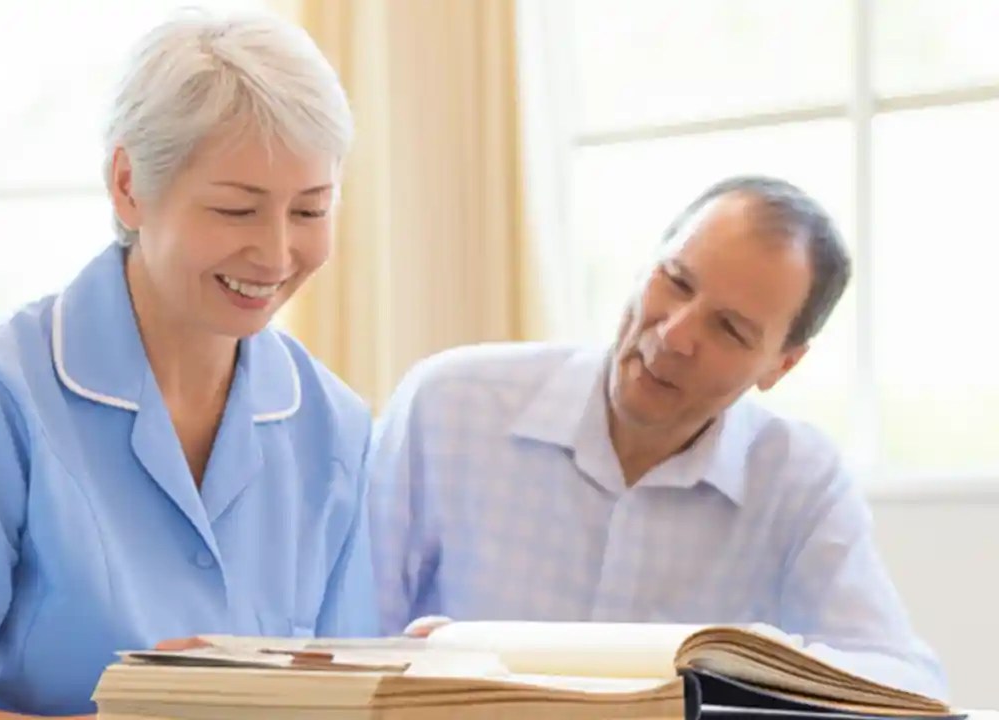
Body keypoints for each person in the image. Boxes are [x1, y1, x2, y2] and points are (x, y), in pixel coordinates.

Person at [0, 11, 376, 719]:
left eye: (309, 213)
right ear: (128, 185)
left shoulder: (334, 426)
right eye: (236, 211)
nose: (276, 256)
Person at [367, 176, 948, 699]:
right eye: (675, 281)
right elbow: (341, 634)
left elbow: (907, 682)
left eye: (728, 328)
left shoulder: (797, 477)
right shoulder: (451, 403)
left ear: (781, 366)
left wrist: (751, 661)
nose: (675, 335)